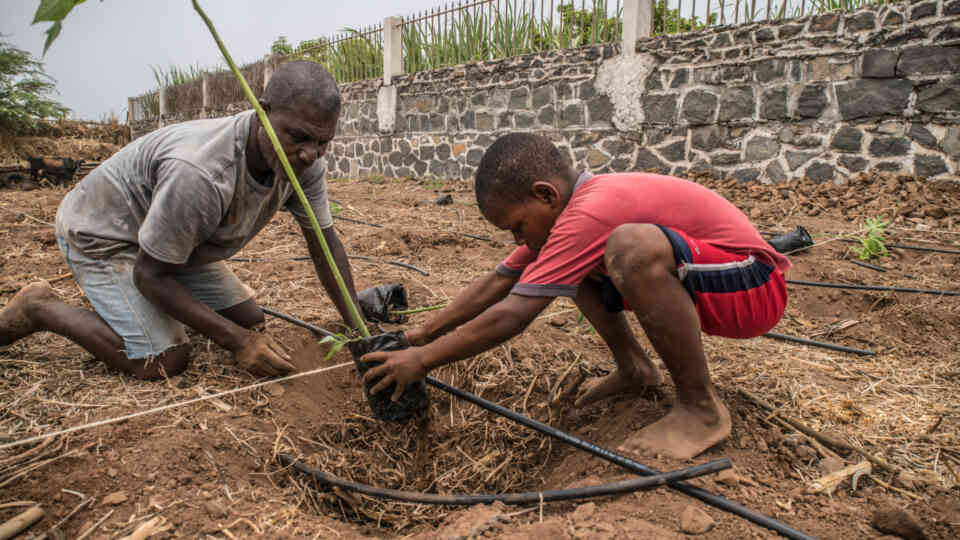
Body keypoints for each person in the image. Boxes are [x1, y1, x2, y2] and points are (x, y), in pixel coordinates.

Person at [361, 133, 790, 460]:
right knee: (573, 270)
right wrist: (420, 335)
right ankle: (635, 369)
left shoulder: (591, 212)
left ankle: (701, 409)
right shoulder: (569, 216)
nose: (517, 239)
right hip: (714, 279)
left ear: (545, 195)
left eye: (517, 227)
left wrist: (423, 361)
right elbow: (497, 283)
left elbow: (514, 314)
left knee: (631, 248)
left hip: (752, 285)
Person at [0, 61, 362, 380]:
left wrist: (359, 326)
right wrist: (237, 342)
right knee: (164, 359)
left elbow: (325, 245)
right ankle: (40, 308)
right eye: (298, 137)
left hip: (170, 239)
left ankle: (157, 303)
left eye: (322, 142)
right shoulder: (201, 173)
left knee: (249, 319)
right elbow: (149, 274)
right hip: (103, 231)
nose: (310, 154)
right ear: (262, 111)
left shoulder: (306, 163)